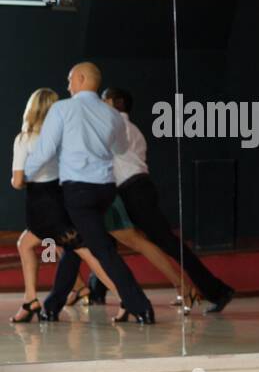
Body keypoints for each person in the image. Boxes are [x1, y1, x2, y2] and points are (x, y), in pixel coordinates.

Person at [22, 62, 155, 323]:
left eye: (70, 80)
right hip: (105, 190)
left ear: (81, 79)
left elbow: (45, 150)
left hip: (77, 192)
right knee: (75, 244)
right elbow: (119, 149)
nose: (68, 86)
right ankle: (52, 305)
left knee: (102, 249)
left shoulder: (62, 109)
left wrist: (25, 173)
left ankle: (139, 305)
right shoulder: (112, 115)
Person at [102, 87, 237, 314]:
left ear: (117, 102)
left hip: (133, 190)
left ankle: (216, 290)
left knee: (168, 244)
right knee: (113, 239)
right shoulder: (133, 129)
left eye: (103, 100)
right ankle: (97, 291)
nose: (100, 105)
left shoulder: (116, 127)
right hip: (138, 188)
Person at [9, 87, 115, 322]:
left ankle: (126, 297)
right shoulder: (63, 137)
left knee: (83, 251)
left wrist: (23, 177)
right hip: (63, 197)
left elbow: (18, 181)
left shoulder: (24, 139)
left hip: (41, 205)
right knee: (28, 244)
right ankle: (31, 299)